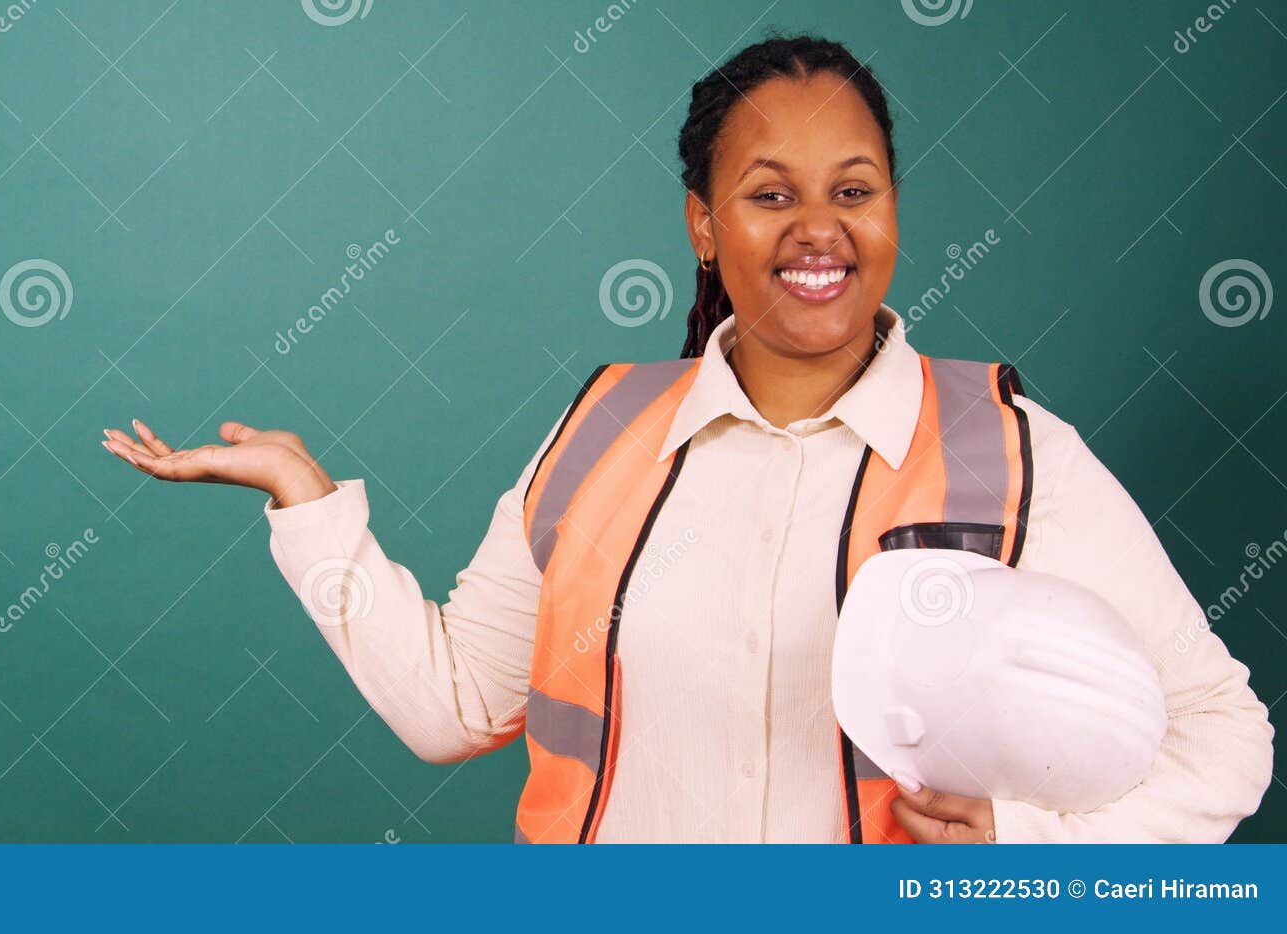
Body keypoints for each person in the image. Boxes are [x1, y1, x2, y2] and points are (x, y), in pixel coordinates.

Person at [100, 35, 1273, 843]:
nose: (820, 229)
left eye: (854, 190)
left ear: (895, 210)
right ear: (703, 225)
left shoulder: (1011, 449)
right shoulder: (605, 428)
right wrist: (308, 504)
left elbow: (1225, 737)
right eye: (770, 195)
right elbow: (455, 705)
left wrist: (1029, 851)